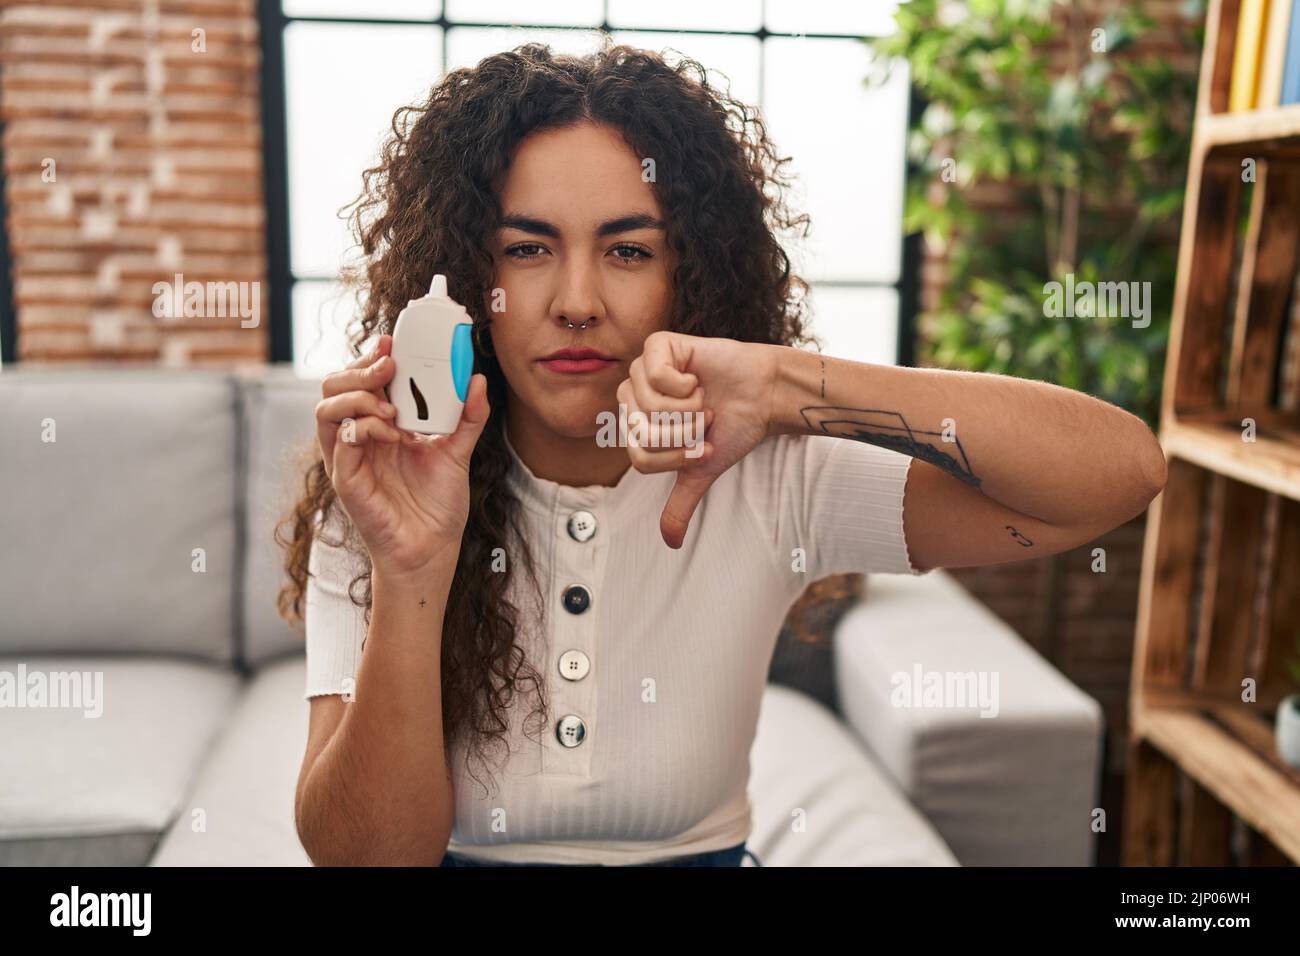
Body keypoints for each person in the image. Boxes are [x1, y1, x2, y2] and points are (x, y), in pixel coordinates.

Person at [278, 41, 1167, 867]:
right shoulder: (384, 489)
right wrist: (410, 567)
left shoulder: (772, 473)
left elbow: (1121, 474)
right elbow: (367, 860)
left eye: (629, 249)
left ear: (689, 271)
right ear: (475, 280)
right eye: (527, 249)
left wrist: (787, 386)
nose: (578, 300)